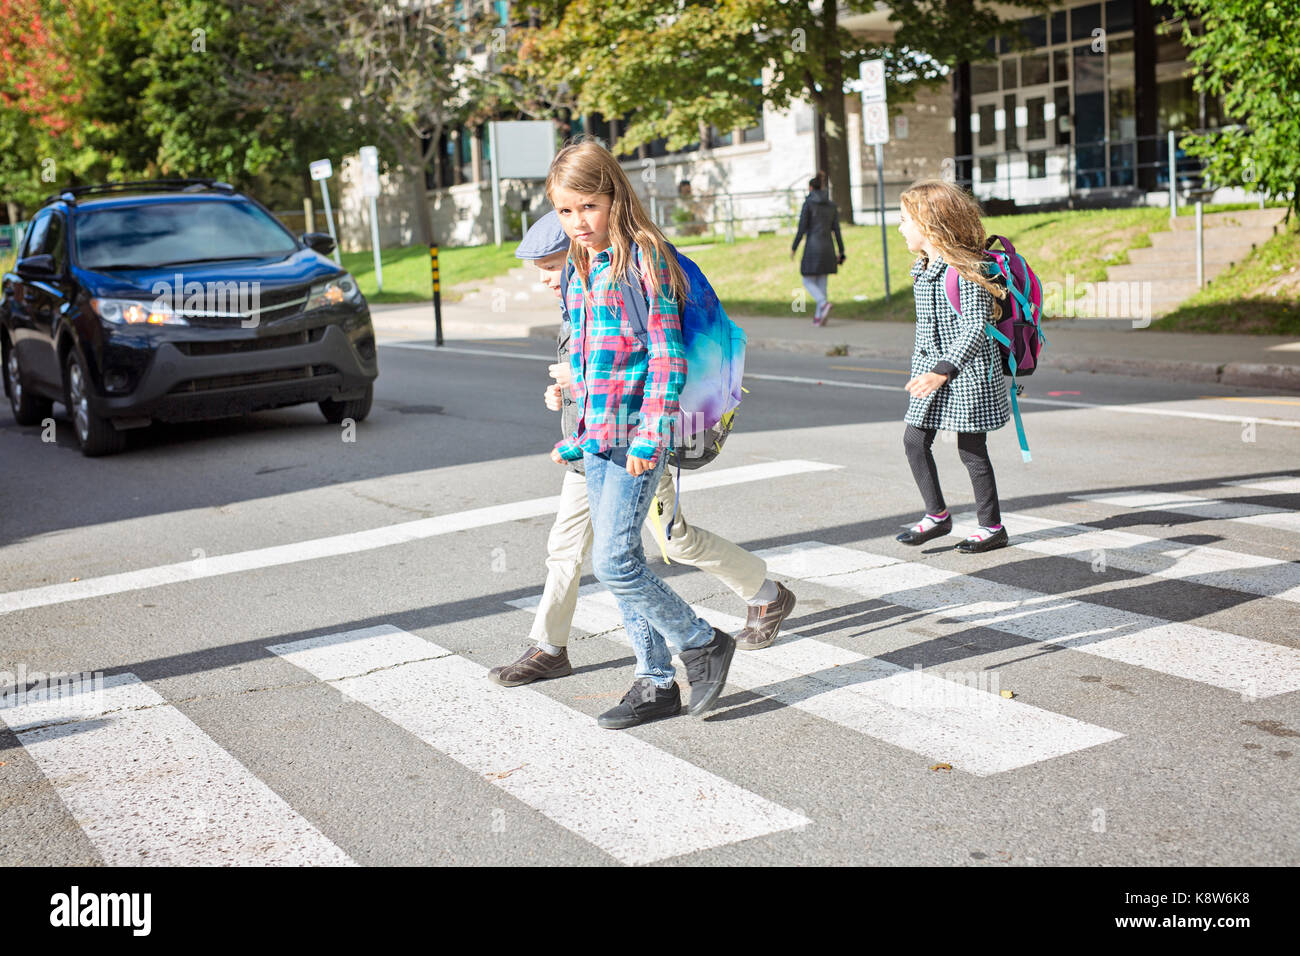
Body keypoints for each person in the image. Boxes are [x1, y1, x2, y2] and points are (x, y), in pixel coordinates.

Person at [489, 211, 796, 695]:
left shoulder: (623, 280)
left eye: (548, 267)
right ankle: (550, 648)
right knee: (566, 550)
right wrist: (565, 394)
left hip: (637, 445)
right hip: (589, 448)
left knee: (670, 542)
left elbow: (648, 366)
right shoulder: (577, 299)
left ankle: (765, 595)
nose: (544, 279)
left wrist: (581, 382)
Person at [540, 137, 744, 729]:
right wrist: (570, 397)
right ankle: (654, 683)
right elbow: (590, 351)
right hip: (598, 435)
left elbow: (664, 356)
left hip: (637, 436)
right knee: (619, 558)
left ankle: (702, 642)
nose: (578, 221)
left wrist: (652, 436)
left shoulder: (645, 258)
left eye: (589, 206)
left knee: (615, 563)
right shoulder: (580, 267)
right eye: (565, 210)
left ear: (615, 196)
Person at [894, 180, 1011, 554]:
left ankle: (992, 527)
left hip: (968, 372)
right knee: (914, 441)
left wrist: (944, 369)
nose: (900, 228)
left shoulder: (964, 270)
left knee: (971, 450)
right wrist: (925, 370)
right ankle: (937, 516)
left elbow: (977, 325)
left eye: (904, 220)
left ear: (929, 225)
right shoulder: (923, 268)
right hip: (932, 372)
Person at [790, 173, 845, 326]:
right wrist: (841, 250)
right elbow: (837, 230)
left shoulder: (808, 204)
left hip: (813, 246)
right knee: (822, 282)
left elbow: (801, 228)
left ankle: (822, 303)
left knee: (807, 280)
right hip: (828, 246)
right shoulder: (831, 205)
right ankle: (819, 317)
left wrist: (794, 248)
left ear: (810, 188)